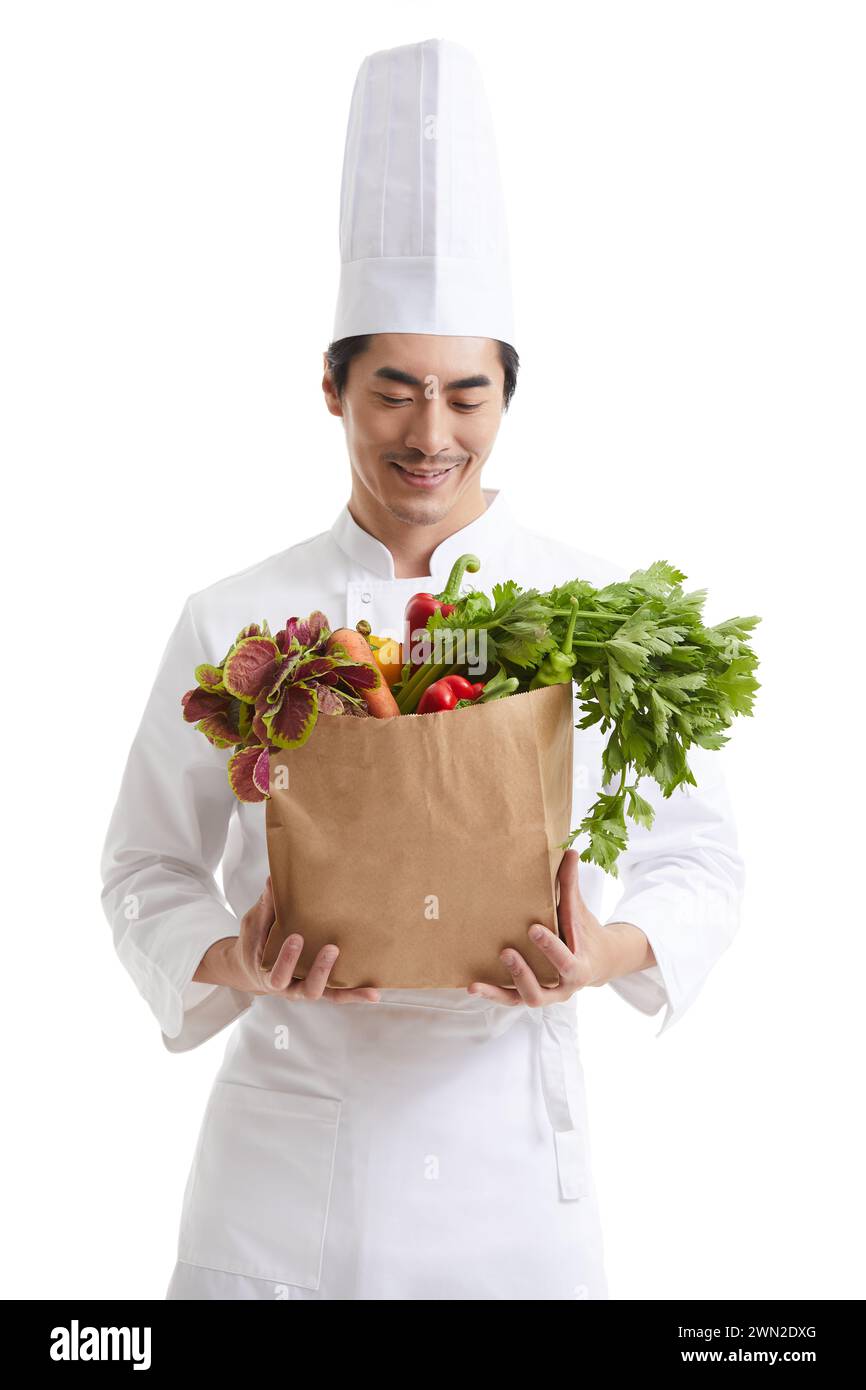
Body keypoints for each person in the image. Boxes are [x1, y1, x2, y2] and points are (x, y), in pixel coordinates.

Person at [100, 37, 744, 1301]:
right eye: (392, 392)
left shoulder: (597, 612)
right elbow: (142, 863)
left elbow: (700, 852)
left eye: (466, 394)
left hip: (515, 1166)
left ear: (508, 393)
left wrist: (607, 950)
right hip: (289, 1167)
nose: (429, 434)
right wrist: (229, 954)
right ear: (331, 388)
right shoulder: (235, 614)